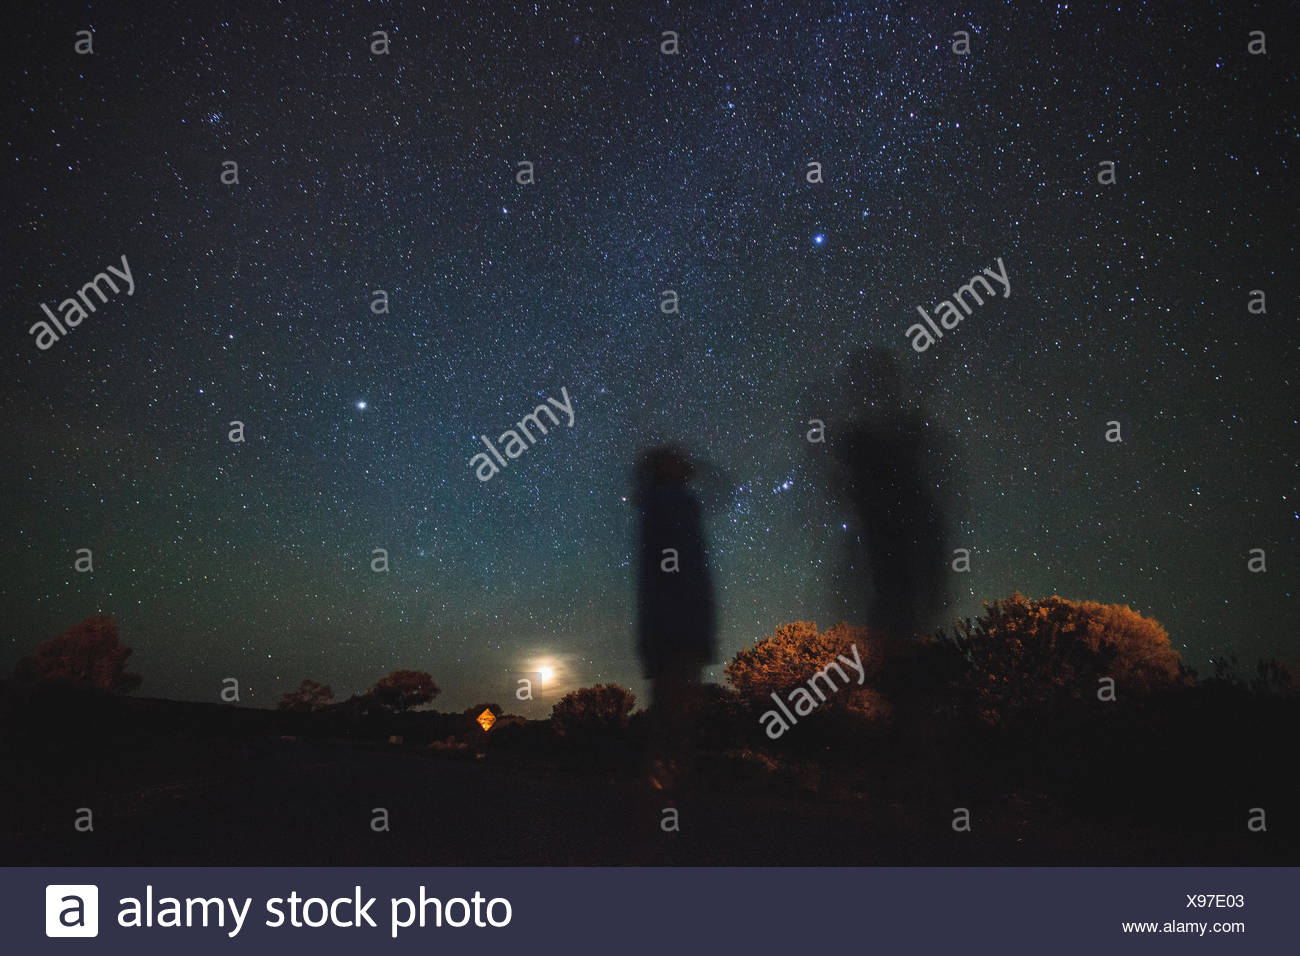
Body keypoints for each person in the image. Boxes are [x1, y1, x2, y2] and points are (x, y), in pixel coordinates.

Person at [631, 446, 718, 791]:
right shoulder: (671, 502)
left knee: (673, 709)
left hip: (671, 625)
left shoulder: (664, 502)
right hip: (679, 624)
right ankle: (662, 794)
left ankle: (662, 791)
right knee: (676, 710)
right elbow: (682, 567)